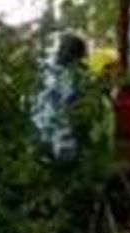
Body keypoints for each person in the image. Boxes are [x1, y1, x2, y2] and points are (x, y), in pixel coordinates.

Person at [32, 33, 88, 162]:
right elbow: (73, 105)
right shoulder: (70, 77)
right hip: (59, 137)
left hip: (40, 131)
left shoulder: (43, 68)